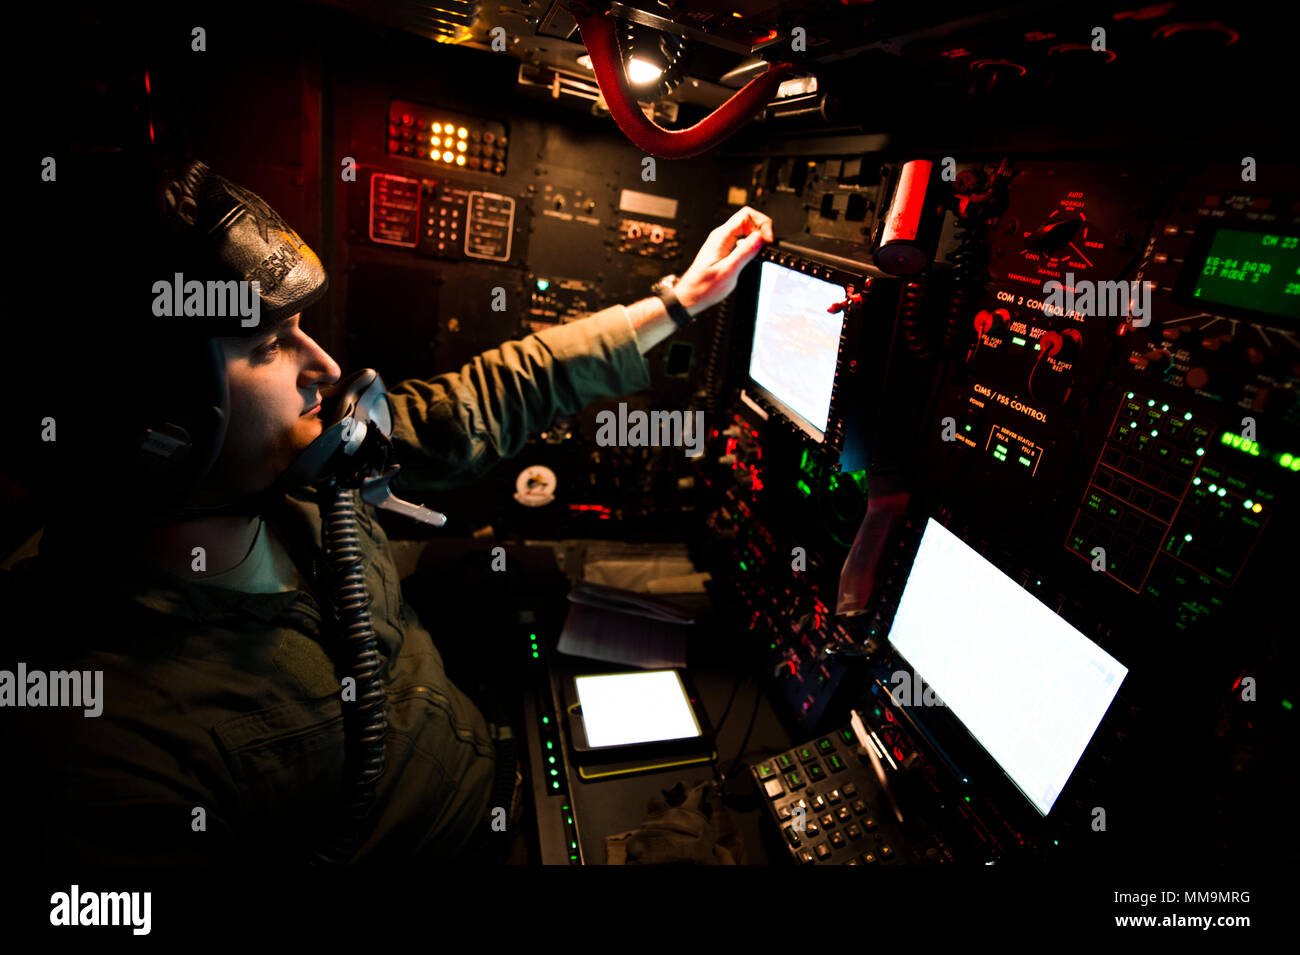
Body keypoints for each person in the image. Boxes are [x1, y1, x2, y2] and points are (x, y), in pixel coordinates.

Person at [0, 158, 772, 864]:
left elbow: (484, 399)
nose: (326, 368)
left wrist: (679, 299)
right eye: (272, 344)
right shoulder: (98, 740)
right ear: (159, 417)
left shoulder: (296, 473)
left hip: (494, 759)